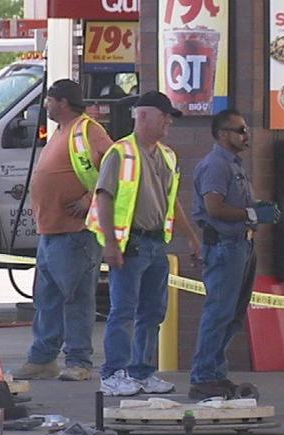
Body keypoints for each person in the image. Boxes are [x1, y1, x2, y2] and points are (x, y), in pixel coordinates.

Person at [89, 91, 199, 397]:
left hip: (155, 245)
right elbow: (103, 197)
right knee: (123, 311)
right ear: (144, 116)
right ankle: (113, 373)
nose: (168, 124)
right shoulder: (120, 153)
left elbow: (172, 202)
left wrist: (191, 237)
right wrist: (111, 244)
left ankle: (142, 371)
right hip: (130, 244)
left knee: (152, 312)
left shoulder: (167, 155)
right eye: (164, 117)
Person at [13, 79, 114, 383]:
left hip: (75, 232)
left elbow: (116, 165)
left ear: (63, 102)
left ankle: (79, 360)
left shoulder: (88, 130)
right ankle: (43, 358)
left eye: (49, 100)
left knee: (76, 297)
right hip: (52, 232)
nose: (46, 105)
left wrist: (89, 200)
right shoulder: (61, 132)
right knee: (47, 298)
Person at [187, 109, 280, 401]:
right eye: (239, 130)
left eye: (245, 128)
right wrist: (252, 212)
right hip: (226, 247)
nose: (245, 134)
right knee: (219, 312)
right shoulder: (216, 165)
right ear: (222, 134)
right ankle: (203, 376)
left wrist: (256, 208)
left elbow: (235, 203)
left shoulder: (234, 165)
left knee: (233, 314)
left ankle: (214, 373)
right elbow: (214, 208)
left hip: (242, 244)